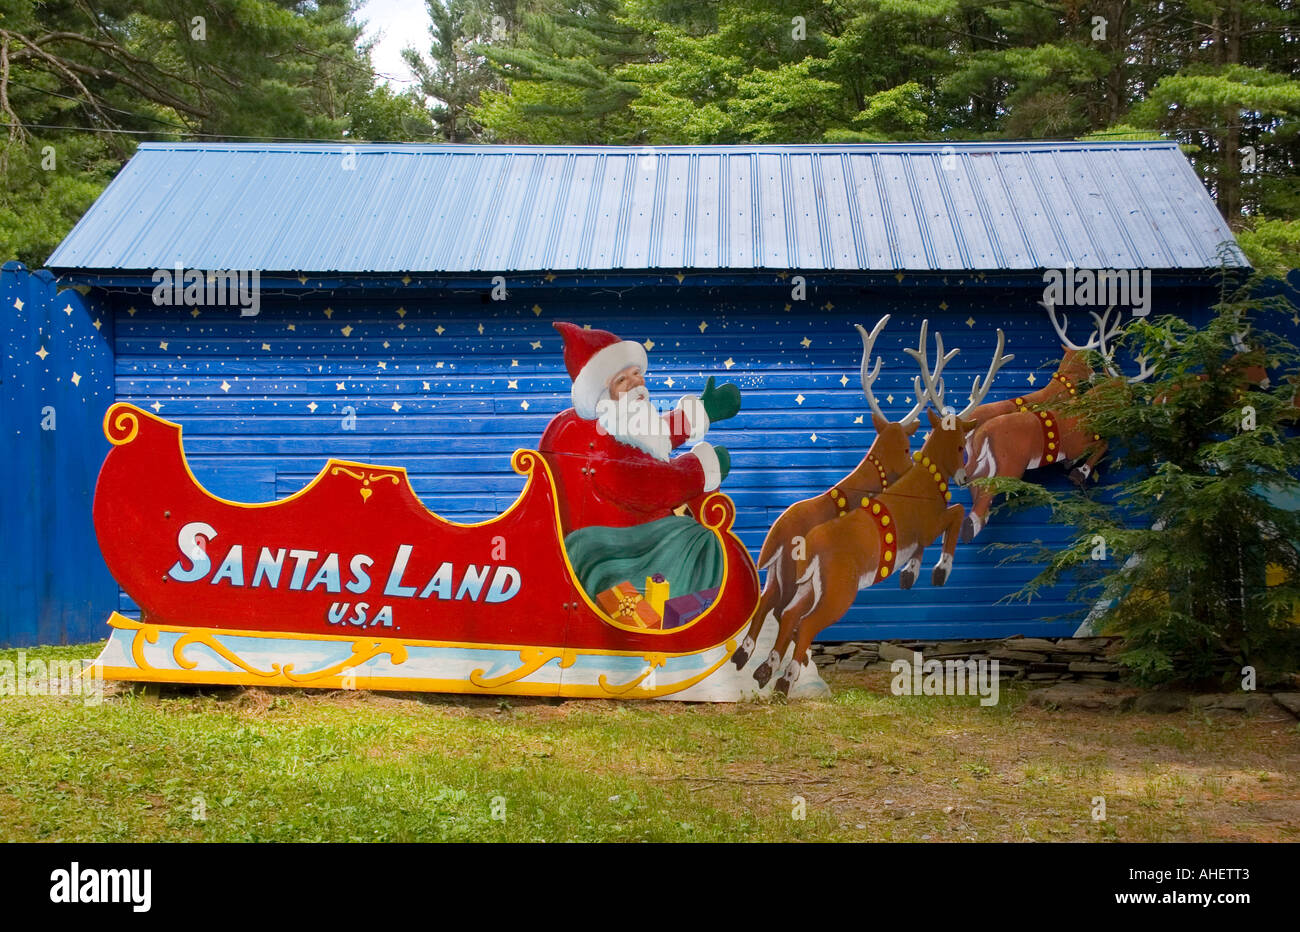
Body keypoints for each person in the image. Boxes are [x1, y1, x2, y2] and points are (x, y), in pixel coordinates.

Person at [539, 321, 742, 601]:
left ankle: (683, 613)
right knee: (697, 540)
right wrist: (701, 468)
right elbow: (647, 486)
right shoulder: (598, 439)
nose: (635, 383)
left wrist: (702, 412)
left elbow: (654, 433)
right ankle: (672, 617)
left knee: (694, 532)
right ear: (602, 395)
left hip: (642, 528)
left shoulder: (626, 422)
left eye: (636, 373)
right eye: (622, 380)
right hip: (614, 542)